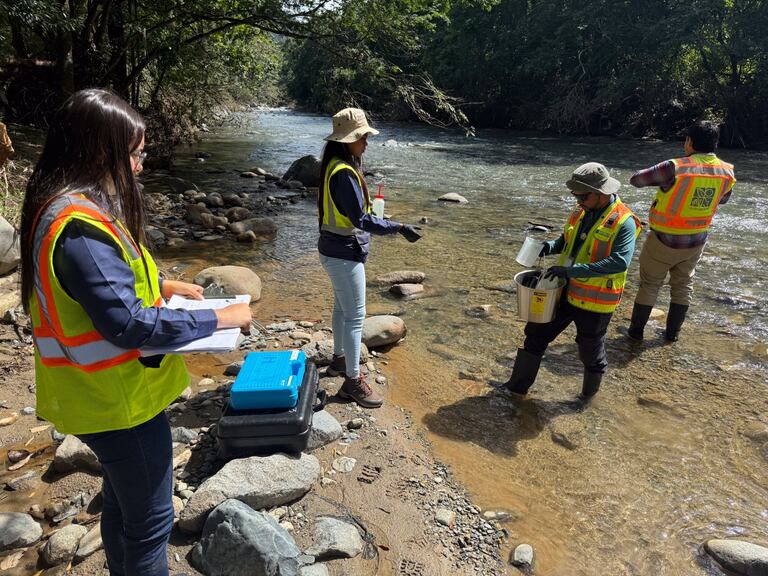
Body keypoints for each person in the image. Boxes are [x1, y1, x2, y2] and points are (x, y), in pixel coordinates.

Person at [19, 89, 252, 576]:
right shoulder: (79, 224)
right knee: (150, 526)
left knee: (125, 512)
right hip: (115, 400)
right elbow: (127, 323)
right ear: (99, 151)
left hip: (97, 395)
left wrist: (163, 284)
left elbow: (97, 288)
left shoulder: (64, 206)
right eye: (137, 153)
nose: (141, 166)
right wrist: (218, 318)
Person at [505, 163, 640, 400]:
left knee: (590, 352)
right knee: (535, 334)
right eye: (575, 195)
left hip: (595, 300)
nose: (578, 201)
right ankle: (515, 390)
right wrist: (546, 248)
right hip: (564, 291)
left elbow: (620, 262)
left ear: (601, 193)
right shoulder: (580, 212)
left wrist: (573, 271)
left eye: (582, 196)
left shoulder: (624, 221)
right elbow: (565, 242)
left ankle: (586, 401)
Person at [318, 107, 421, 408]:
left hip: (332, 249)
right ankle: (352, 382)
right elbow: (360, 220)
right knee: (355, 318)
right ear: (347, 140)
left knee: (341, 309)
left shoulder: (334, 166)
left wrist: (384, 219)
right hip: (343, 254)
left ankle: (339, 360)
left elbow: (354, 215)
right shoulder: (344, 173)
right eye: (362, 137)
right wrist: (399, 227)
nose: (366, 142)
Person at [626, 120, 735, 342]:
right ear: (715, 143)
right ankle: (672, 335)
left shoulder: (674, 167)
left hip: (663, 238)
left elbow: (636, 180)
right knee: (684, 284)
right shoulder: (727, 171)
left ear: (689, 142)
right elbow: (722, 200)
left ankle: (635, 333)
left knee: (650, 284)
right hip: (696, 240)